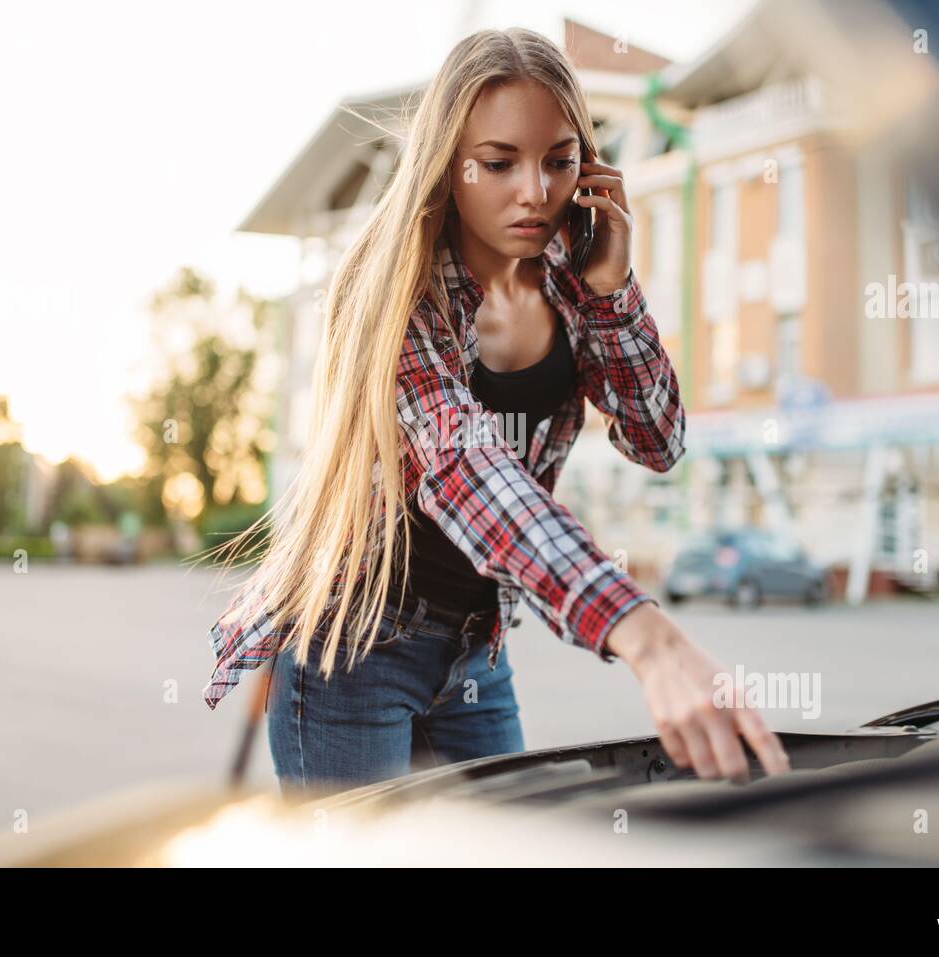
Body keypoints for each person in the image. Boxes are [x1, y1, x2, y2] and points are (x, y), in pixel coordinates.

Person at [201, 27, 791, 801]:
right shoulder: (394, 292)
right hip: (353, 645)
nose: (535, 192)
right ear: (450, 163)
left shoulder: (575, 281)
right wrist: (649, 637)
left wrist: (613, 295)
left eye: (559, 160)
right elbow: (466, 466)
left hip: (476, 653)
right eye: (500, 162)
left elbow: (658, 440)